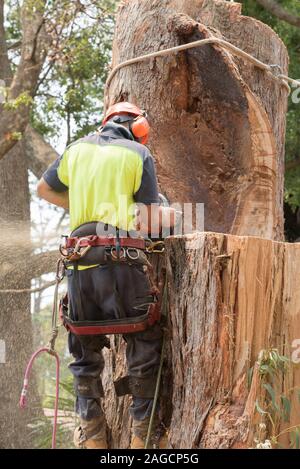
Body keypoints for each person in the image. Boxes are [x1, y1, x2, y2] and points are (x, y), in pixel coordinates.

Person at [37, 102, 175, 449]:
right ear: (139, 128)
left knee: (84, 354)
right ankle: (141, 438)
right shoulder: (138, 153)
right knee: (144, 342)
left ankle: (94, 436)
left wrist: (86, 205)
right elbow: (149, 219)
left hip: (80, 271)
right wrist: (172, 215)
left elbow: (44, 189)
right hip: (123, 269)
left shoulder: (75, 150)